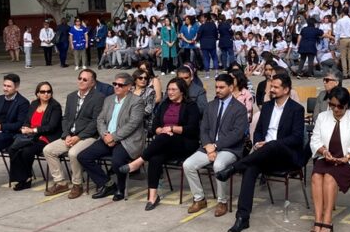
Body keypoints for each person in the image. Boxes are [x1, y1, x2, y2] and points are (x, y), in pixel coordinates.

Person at [216, 74, 306, 232]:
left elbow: (297, 138)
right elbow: (258, 131)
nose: (272, 89)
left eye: (276, 87)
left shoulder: (296, 109)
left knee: (272, 144)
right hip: (264, 154)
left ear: (286, 90)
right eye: (271, 86)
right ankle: (242, 218)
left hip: (286, 155)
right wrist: (258, 142)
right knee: (251, 168)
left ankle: (234, 168)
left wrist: (272, 144)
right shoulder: (267, 106)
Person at [121, 77, 201, 209]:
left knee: (164, 137)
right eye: (168, 89)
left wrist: (171, 129)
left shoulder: (191, 106)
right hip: (164, 142)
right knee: (155, 157)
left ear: (182, 91)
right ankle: (152, 197)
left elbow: (192, 129)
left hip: (185, 143)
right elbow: (155, 126)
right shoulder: (165, 104)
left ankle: (139, 161)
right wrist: (162, 130)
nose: (170, 92)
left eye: (174, 89)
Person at [182, 73, 248, 216]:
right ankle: (199, 198)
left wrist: (216, 146)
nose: (218, 90)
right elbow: (203, 129)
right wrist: (208, 146)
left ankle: (222, 201)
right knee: (188, 164)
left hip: (230, 149)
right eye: (216, 87)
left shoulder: (239, 108)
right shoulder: (210, 106)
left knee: (219, 165)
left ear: (231, 88)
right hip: (208, 147)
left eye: (221, 87)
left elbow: (237, 135)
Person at [308, 86, 350, 232]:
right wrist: (324, 152)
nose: (335, 109)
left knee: (329, 177)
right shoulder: (323, 117)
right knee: (316, 176)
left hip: (349, 161)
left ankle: (327, 219)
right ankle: (318, 219)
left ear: (346, 105)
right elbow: (315, 139)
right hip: (328, 158)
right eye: (332, 105)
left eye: (339, 106)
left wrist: (347, 157)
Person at [77, 72, 145, 201]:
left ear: (129, 86)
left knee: (117, 162)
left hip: (126, 141)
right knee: (83, 157)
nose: (117, 87)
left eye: (120, 85)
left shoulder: (137, 101)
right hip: (106, 138)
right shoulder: (109, 99)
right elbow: (100, 120)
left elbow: (133, 124)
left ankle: (120, 188)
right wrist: (105, 135)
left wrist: (114, 137)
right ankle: (107, 184)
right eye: (115, 84)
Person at [42, 69, 107, 198]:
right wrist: (66, 135)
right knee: (48, 150)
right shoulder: (71, 96)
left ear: (92, 82)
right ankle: (60, 183)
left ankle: (77, 185)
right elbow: (65, 118)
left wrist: (78, 137)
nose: (81, 81)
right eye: (80, 78)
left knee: (73, 153)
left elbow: (95, 122)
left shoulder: (99, 98)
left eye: (85, 79)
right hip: (70, 135)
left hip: (88, 136)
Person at [7, 81, 63, 190]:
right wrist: (25, 128)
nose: (46, 94)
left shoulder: (55, 106)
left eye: (48, 91)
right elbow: (27, 120)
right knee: (13, 149)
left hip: (46, 137)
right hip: (31, 136)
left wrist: (33, 130)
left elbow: (51, 126)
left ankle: (26, 179)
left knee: (27, 151)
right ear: (37, 93)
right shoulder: (33, 104)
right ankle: (21, 178)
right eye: (43, 92)